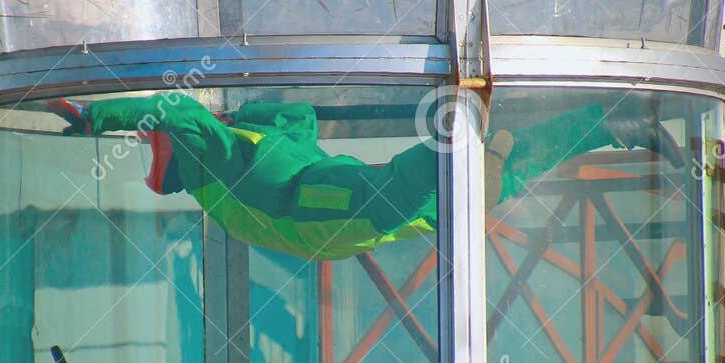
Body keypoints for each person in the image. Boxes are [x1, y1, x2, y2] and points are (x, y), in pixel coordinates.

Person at [49, 94, 676, 261]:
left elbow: (297, 119)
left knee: (460, 194)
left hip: (338, 219)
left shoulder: (236, 154)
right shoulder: (216, 159)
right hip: (325, 208)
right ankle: (478, 129)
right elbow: (176, 108)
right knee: (427, 173)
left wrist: (245, 114)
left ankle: (608, 127)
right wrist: (93, 118)